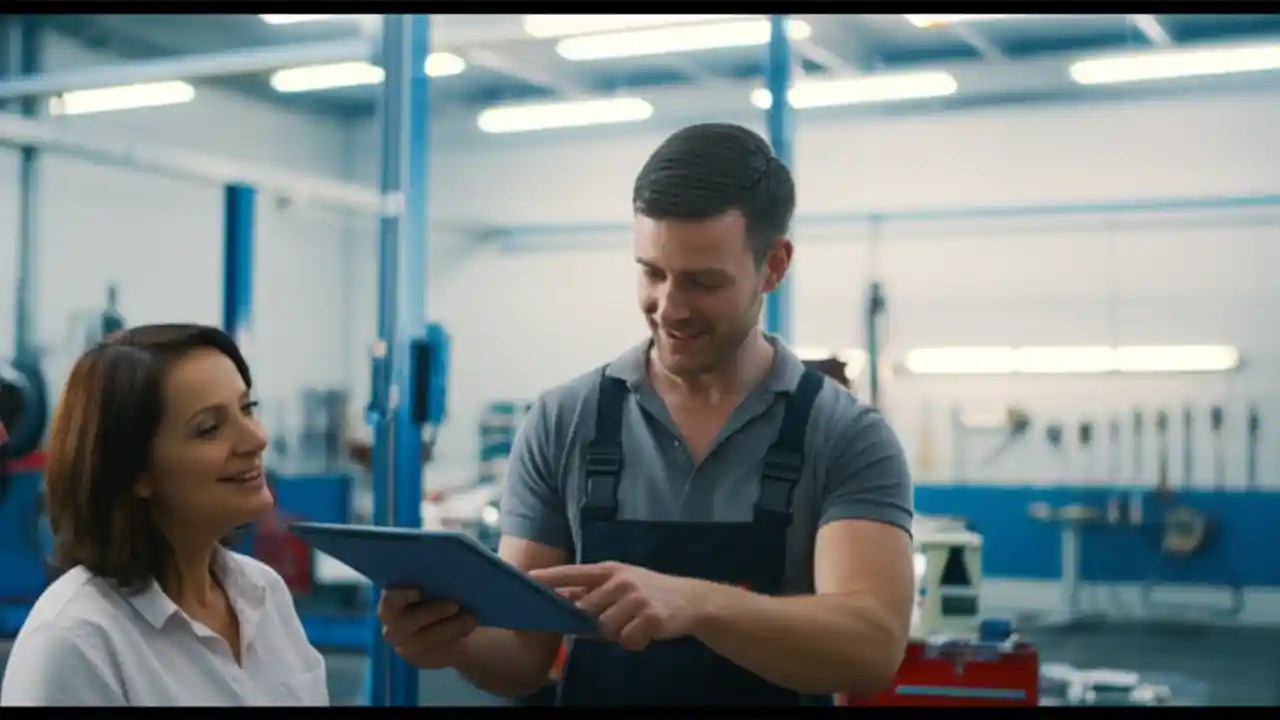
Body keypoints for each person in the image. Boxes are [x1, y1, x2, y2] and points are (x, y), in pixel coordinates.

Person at [378, 123, 915, 706]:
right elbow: (520, 658)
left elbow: (871, 648)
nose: (670, 308)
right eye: (653, 272)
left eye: (703, 282)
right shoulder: (565, 421)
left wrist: (698, 604)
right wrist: (451, 640)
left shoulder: (843, 436)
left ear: (774, 265)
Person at [0, 324, 328, 706]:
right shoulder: (75, 642)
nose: (257, 439)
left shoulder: (263, 592)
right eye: (210, 428)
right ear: (136, 471)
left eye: (247, 409)